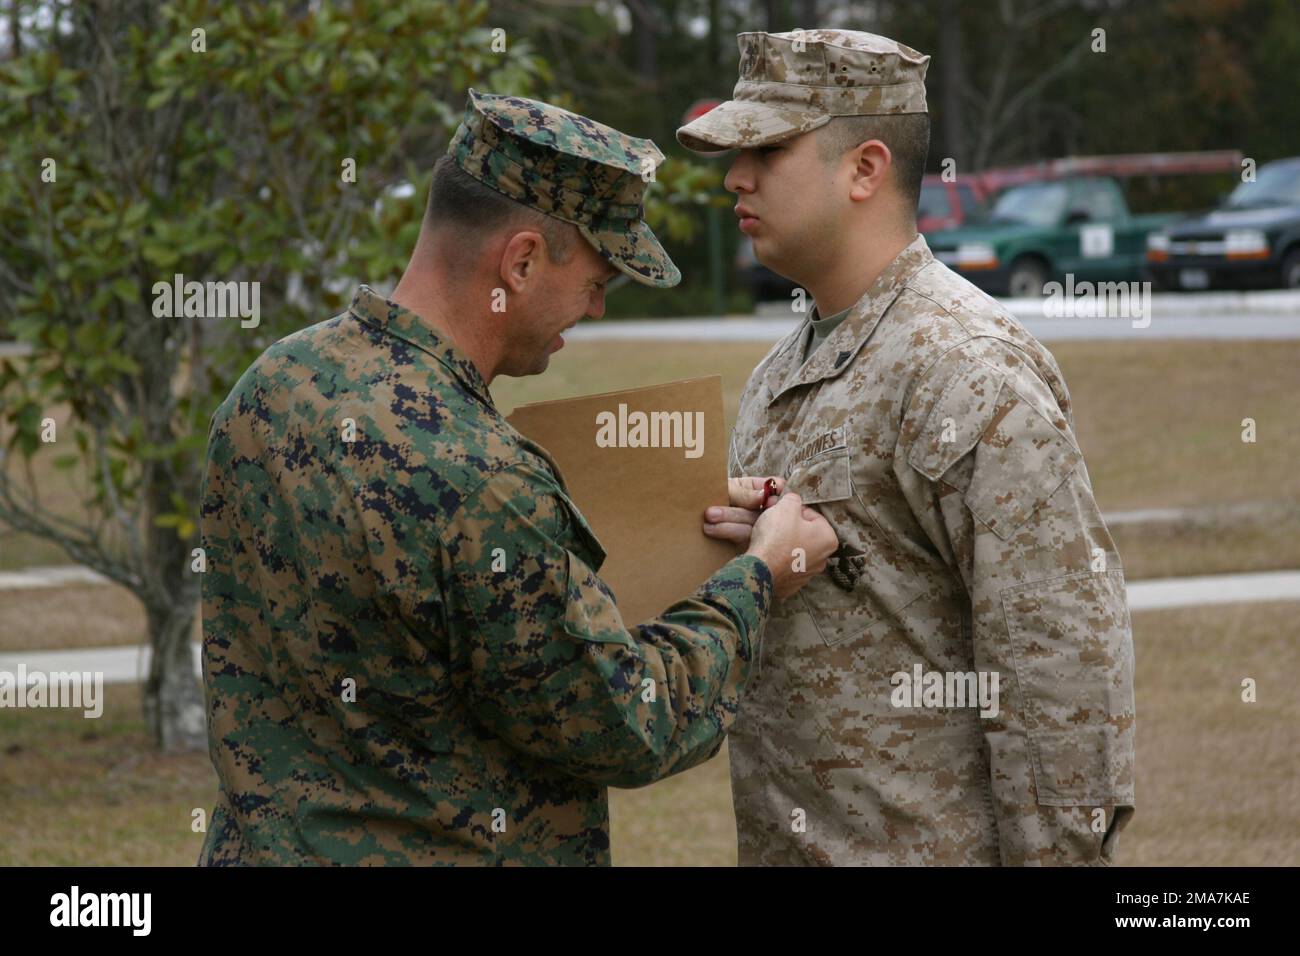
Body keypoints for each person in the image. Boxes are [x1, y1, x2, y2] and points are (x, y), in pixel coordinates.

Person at [198, 88, 837, 866]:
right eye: (599, 281)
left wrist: (646, 509)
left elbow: (417, 553)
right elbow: (630, 726)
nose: (596, 311)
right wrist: (759, 576)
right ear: (523, 260)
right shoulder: (487, 484)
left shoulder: (273, 385)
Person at [687, 30, 1136, 866]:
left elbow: (1056, 664)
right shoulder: (778, 375)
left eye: (768, 149)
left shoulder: (965, 368)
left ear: (865, 168)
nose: (735, 178)